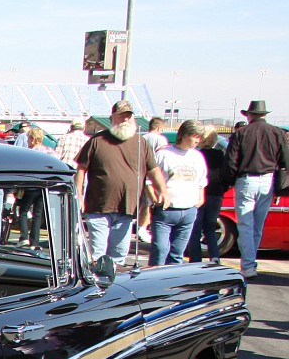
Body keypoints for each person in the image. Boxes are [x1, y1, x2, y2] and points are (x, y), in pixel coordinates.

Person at [74, 100, 167, 268]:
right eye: (121, 116)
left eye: (128, 117)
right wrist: (79, 195)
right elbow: (81, 169)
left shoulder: (141, 143)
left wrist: (163, 191)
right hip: (99, 207)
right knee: (97, 255)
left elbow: (153, 170)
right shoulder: (97, 141)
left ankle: (113, 288)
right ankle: (94, 287)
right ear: (112, 118)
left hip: (127, 207)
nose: (125, 120)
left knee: (119, 255)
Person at [225, 99, 289, 278]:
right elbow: (285, 160)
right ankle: (251, 263)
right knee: (257, 226)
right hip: (268, 180)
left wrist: (229, 181)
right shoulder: (278, 133)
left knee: (245, 224)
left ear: (249, 115)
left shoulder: (241, 133)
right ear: (265, 114)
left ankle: (248, 266)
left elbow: (231, 161)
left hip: (246, 180)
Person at [149, 120, 208, 266]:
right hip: (166, 211)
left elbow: (202, 181)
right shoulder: (163, 154)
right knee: (160, 250)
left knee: (177, 254)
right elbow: (148, 181)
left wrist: (200, 198)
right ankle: (153, 282)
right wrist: (155, 199)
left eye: (199, 137)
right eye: (195, 136)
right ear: (184, 135)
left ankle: (171, 285)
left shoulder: (197, 156)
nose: (197, 140)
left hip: (189, 211)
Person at [187, 129, 233, 264]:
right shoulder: (220, 156)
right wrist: (223, 188)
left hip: (200, 194)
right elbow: (226, 175)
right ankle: (214, 256)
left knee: (196, 227)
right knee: (211, 227)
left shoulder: (196, 156)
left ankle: (195, 258)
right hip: (216, 193)